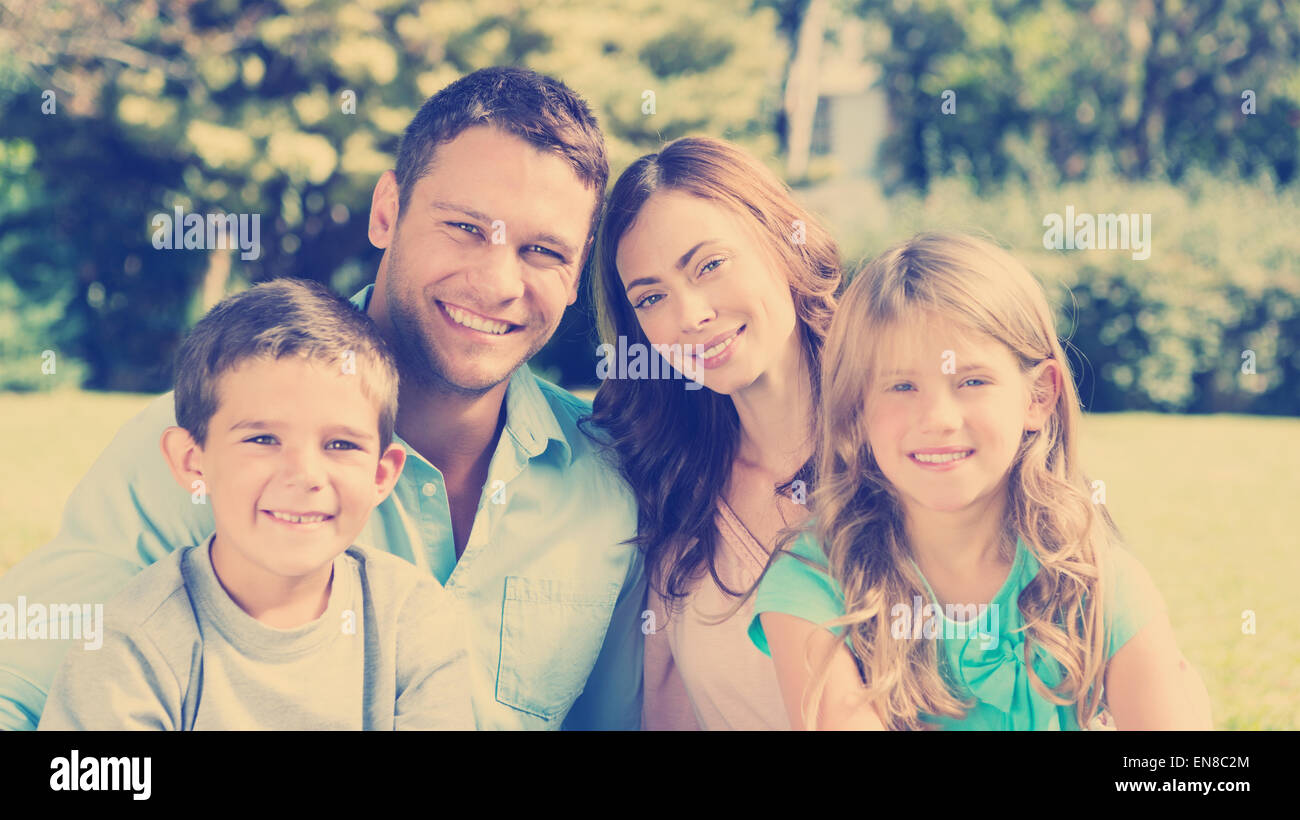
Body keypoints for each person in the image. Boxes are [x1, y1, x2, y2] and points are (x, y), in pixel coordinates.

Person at [0, 67, 643, 731]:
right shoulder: (212, 443)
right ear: (387, 211)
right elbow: (21, 700)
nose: (497, 281)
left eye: (542, 250)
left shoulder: (611, 484)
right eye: (466, 228)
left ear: (578, 271)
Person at [749, 232, 1213, 730]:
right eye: (902, 386)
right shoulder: (812, 583)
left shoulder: (1096, 580)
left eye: (972, 381)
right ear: (857, 411)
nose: (938, 419)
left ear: (1038, 396)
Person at [38, 279, 471, 730]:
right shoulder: (132, 646)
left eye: (340, 444)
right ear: (192, 461)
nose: (304, 475)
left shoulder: (413, 623)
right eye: (263, 439)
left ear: (381, 474)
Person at [588, 136, 840, 729]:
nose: (690, 316)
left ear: (781, 238)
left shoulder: (908, 442)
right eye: (651, 298)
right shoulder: (671, 489)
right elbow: (668, 709)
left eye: (709, 265)